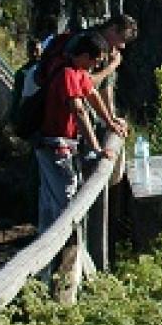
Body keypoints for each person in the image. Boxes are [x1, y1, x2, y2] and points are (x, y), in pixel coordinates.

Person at [35, 41, 121, 231]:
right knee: (65, 194)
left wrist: (110, 122)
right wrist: (97, 148)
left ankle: (49, 240)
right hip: (56, 144)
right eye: (95, 61)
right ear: (83, 55)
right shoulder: (67, 74)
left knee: (51, 196)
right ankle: (61, 244)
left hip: (58, 143)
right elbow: (79, 111)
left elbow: (92, 94)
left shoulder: (77, 71)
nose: (96, 66)